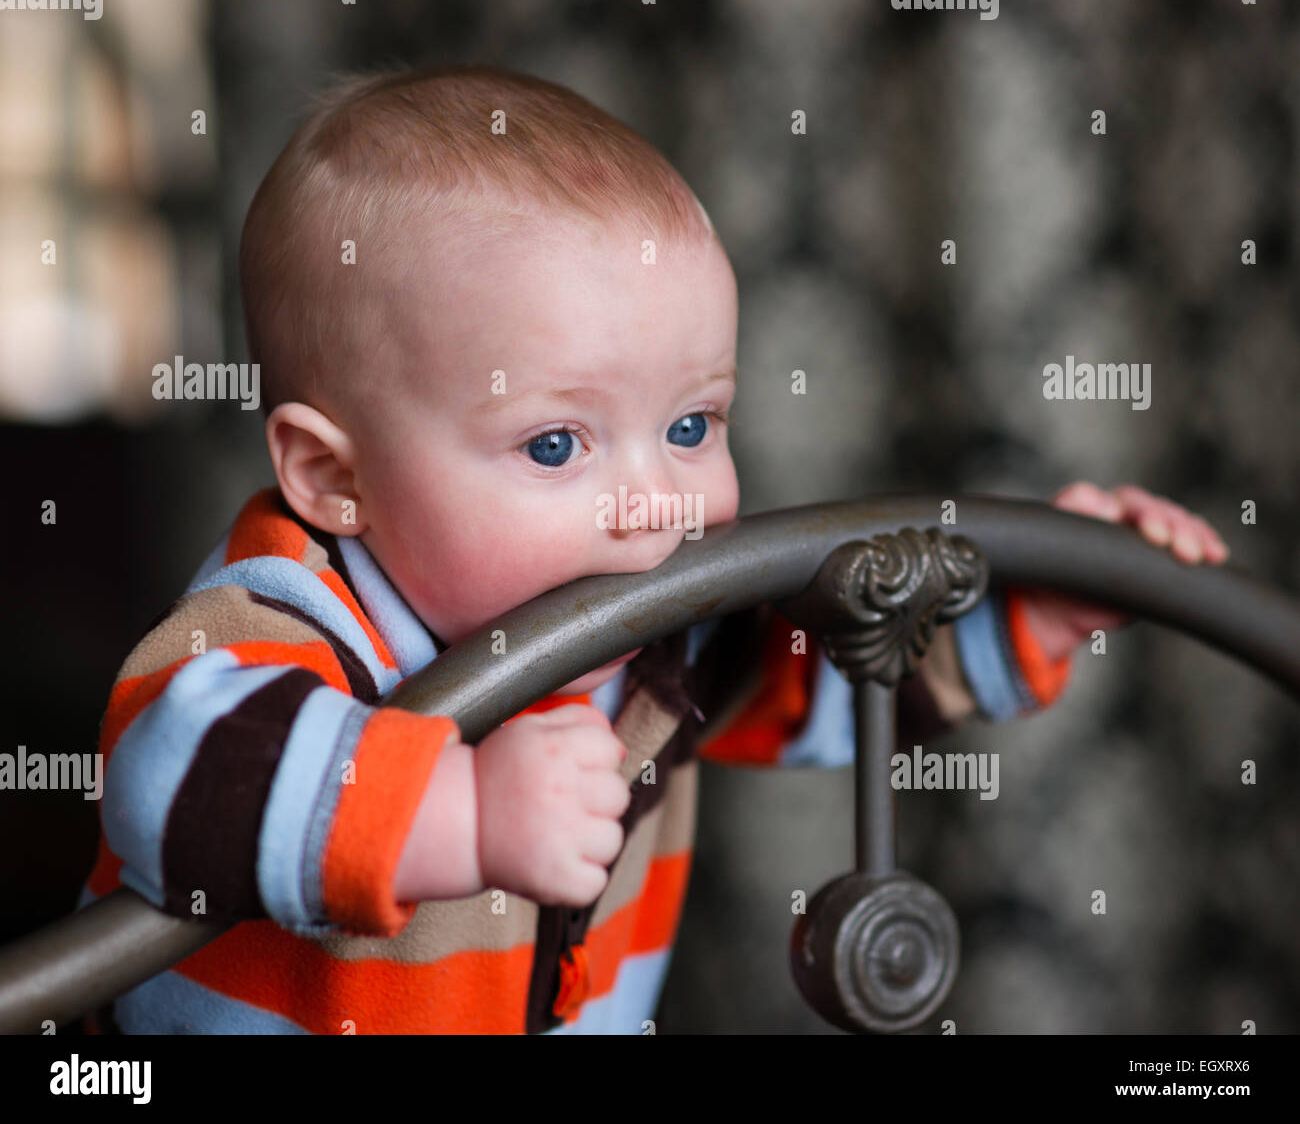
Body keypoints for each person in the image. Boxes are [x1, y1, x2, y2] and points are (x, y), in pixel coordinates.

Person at [78, 64, 1229, 1034]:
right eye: (555, 443)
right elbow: (166, 783)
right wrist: (462, 813)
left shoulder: (658, 639)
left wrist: (1032, 610)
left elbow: (839, 672)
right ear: (336, 479)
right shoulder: (277, 631)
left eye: (690, 427)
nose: (651, 501)